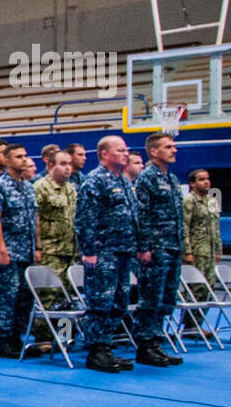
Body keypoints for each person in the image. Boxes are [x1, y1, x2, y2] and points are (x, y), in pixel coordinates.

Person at [75, 136, 146, 372]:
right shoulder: (95, 181)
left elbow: (134, 218)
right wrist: (90, 251)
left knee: (119, 303)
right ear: (105, 154)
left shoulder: (124, 182)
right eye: (121, 150)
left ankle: (106, 346)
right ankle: (96, 351)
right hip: (103, 252)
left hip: (124, 252)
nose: (126, 154)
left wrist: (138, 246)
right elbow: (85, 219)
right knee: (100, 303)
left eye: (127, 150)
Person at [133, 132, 184, 366]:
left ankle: (156, 341)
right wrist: (143, 247)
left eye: (174, 147)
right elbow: (140, 216)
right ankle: (145, 346)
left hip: (173, 246)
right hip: (155, 248)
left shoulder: (172, 179)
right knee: (151, 297)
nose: (174, 150)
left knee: (166, 298)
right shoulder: (147, 178)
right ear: (154, 152)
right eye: (168, 147)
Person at [0, 143, 40, 358]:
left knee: (25, 296)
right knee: (7, 295)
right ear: (7, 161)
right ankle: (4, 340)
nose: (24, 160)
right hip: (7, 251)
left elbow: (34, 219)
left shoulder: (28, 186)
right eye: (18, 156)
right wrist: (1, 249)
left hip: (26, 250)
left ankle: (18, 337)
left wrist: (38, 247)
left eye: (25, 155)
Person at [33, 149, 78, 317]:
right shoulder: (40, 187)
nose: (68, 168)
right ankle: (44, 338)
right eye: (63, 164)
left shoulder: (71, 189)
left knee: (67, 299)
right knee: (49, 295)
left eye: (69, 164)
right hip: (50, 250)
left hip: (69, 250)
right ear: (51, 165)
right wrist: (38, 248)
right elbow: (35, 220)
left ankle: (64, 337)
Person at [183, 168, 222, 332]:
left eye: (207, 179)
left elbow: (216, 227)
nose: (206, 182)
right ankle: (190, 325)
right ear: (192, 183)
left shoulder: (212, 201)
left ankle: (197, 324)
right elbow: (184, 226)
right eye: (201, 179)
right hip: (196, 251)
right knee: (195, 288)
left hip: (210, 251)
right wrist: (187, 251)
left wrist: (218, 249)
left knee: (209, 288)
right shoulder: (188, 201)